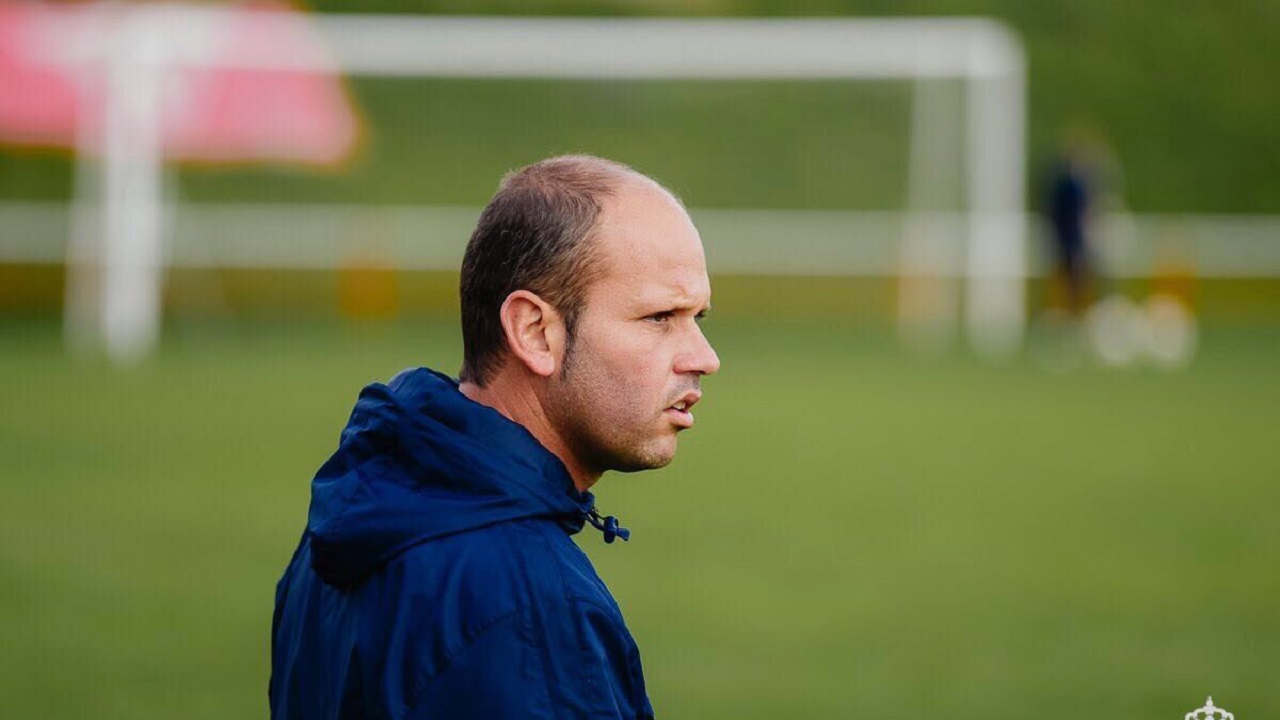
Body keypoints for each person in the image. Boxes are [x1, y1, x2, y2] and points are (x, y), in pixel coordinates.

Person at [270, 155, 721, 719]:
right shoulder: (529, 612)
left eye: (699, 316)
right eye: (660, 317)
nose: (705, 358)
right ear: (535, 332)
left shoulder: (353, 516)